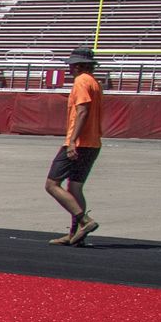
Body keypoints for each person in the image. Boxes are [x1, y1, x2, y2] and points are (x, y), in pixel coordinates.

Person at [46, 46, 102, 245]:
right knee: (75, 188)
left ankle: (84, 221)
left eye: (72, 65)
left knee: (52, 184)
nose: (70, 69)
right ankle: (75, 234)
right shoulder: (95, 82)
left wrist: (71, 142)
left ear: (78, 66)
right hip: (93, 142)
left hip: (79, 142)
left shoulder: (81, 81)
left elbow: (82, 111)